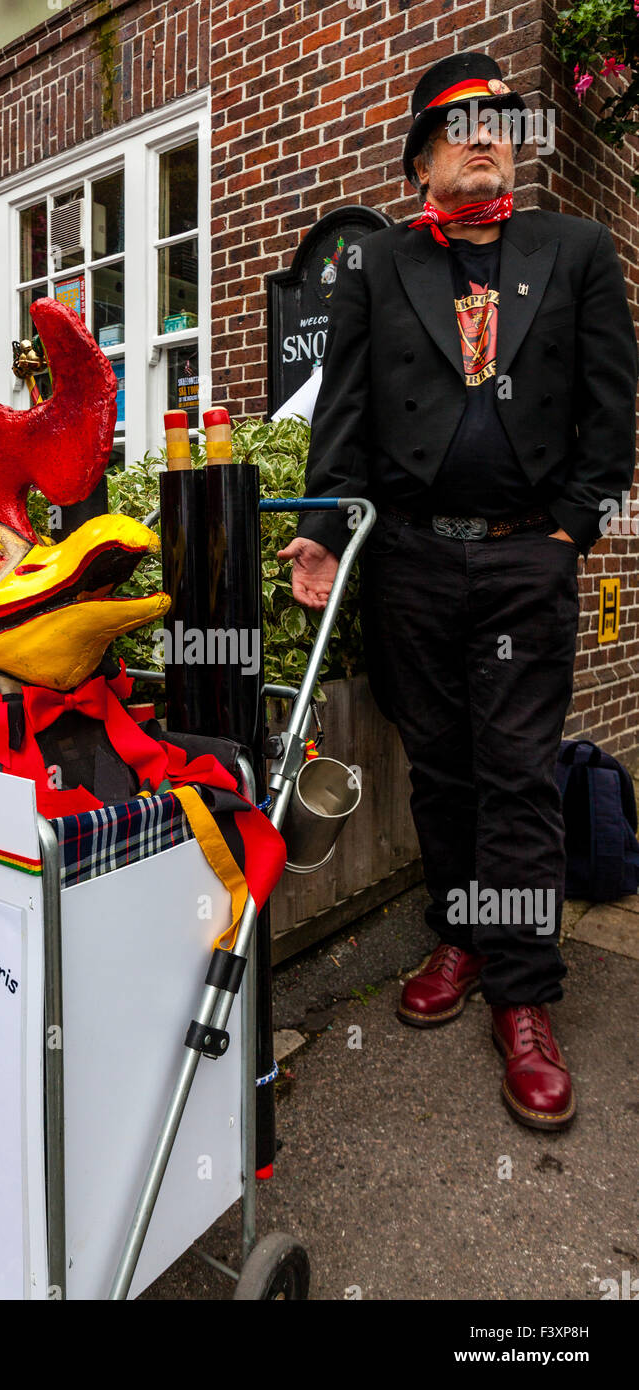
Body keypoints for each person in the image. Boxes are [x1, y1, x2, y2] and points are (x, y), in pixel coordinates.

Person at [278, 51, 639, 1131]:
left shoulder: (571, 250)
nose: (484, 137)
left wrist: (571, 531)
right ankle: (460, 931)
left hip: (526, 554)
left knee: (519, 770)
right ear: (420, 158)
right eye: (457, 125)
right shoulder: (378, 268)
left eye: (498, 121)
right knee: (436, 761)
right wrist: (319, 536)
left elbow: (608, 408)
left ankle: (523, 994)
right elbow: (341, 414)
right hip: (409, 561)